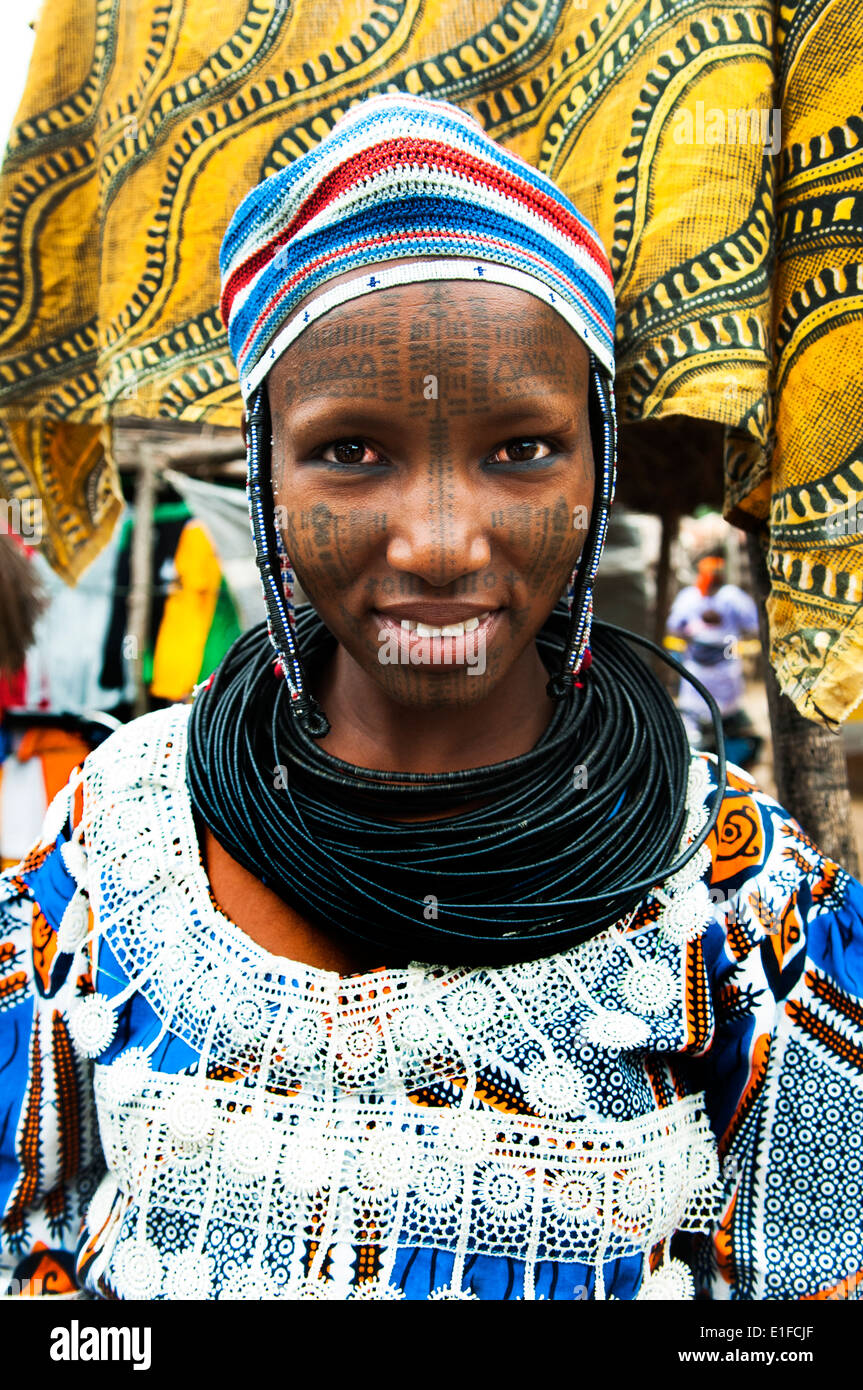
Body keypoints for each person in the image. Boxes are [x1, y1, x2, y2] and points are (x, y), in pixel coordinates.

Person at [1, 94, 861, 1303]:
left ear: (597, 460)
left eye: (519, 448)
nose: (442, 543)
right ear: (264, 468)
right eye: (351, 451)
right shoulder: (111, 843)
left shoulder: (740, 905)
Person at [666, 552, 762, 763]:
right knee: (692, 719)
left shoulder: (732, 597)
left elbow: (752, 625)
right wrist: (693, 629)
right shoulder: (690, 597)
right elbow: (674, 626)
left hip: (725, 664)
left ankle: (729, 758)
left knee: (727, 716)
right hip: (696, 665)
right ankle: (695, 760)